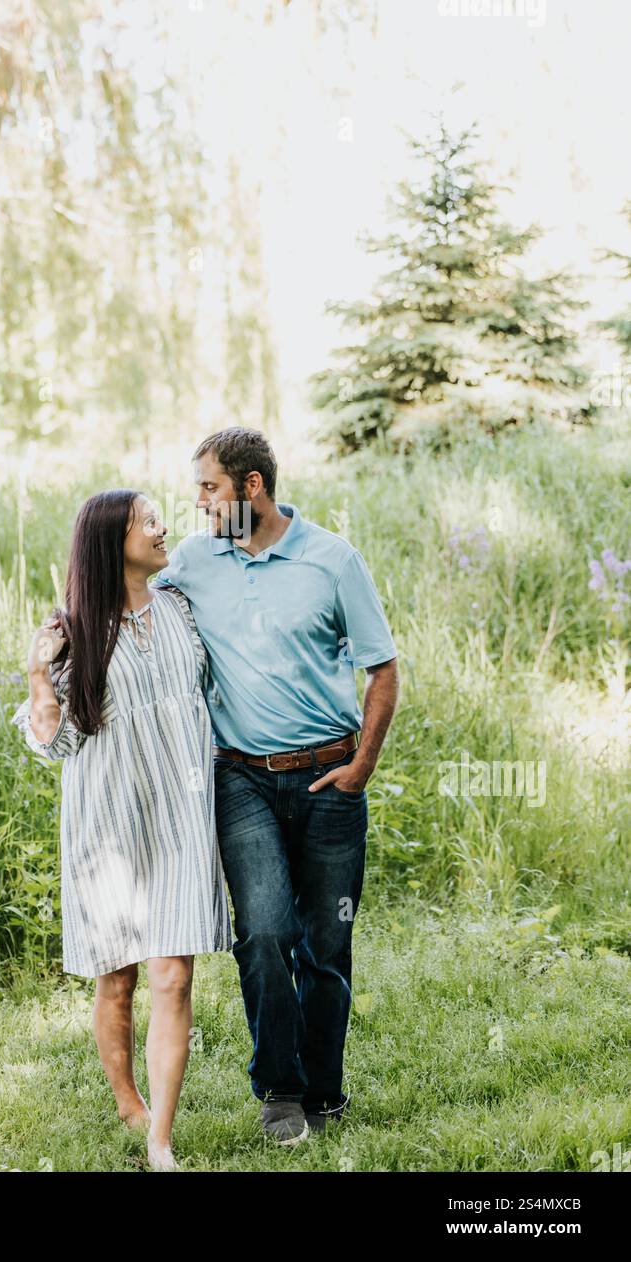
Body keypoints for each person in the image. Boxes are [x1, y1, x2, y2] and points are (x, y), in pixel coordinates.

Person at [156, 427, 399, 1145]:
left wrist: (361, 769)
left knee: (326, 943)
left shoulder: (330, 560)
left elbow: (381, 669)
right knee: (263, 932)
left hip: (329, 776)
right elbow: (128, 595)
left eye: (209, 488)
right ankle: (280, 1091)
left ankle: (325, 1091)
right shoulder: (196, 560)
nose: (197, 503)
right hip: (241, 777)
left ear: (251, 487)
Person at [12, 489, 232, 1172]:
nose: (162, 527)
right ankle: (126, 1101)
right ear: (113, 541)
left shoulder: (182, 610)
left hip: (180, 816)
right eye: (146, 521)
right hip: (106, 824)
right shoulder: (74, 632)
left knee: (172, 976)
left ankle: (159, 1140)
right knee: (118, 980)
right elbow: (54, 746)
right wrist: (37, 676)